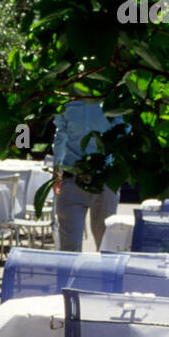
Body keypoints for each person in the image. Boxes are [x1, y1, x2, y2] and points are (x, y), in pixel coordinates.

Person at [52, 97, 120, 251]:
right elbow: (60, 134)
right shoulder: (65, 99)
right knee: (69, 249)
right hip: (71, 180)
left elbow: (123, 130)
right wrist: (57, 172)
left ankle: (105, 276)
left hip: (105, 179)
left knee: (106, 247)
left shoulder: (112, 97)